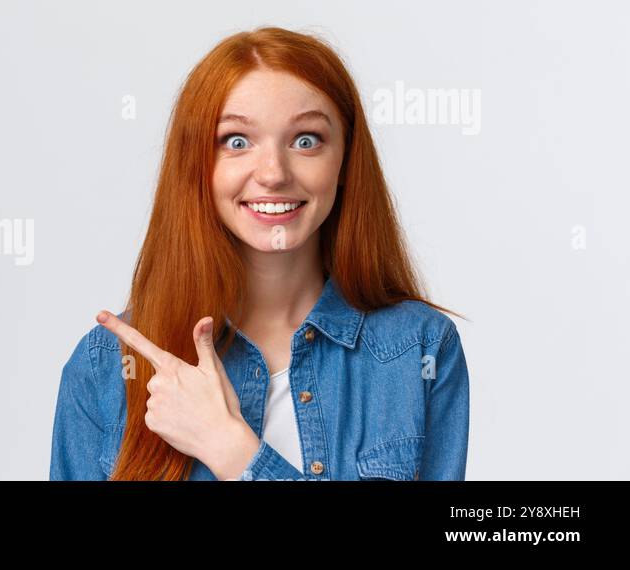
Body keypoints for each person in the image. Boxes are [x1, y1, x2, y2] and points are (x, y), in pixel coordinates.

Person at [50, 27, 469, 481]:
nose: (273, 174)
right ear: (198, 167)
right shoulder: (105, 367)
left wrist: (231, 450)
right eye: (236, 141)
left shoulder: (418, 349)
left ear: (346, 161)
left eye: (306, 140)